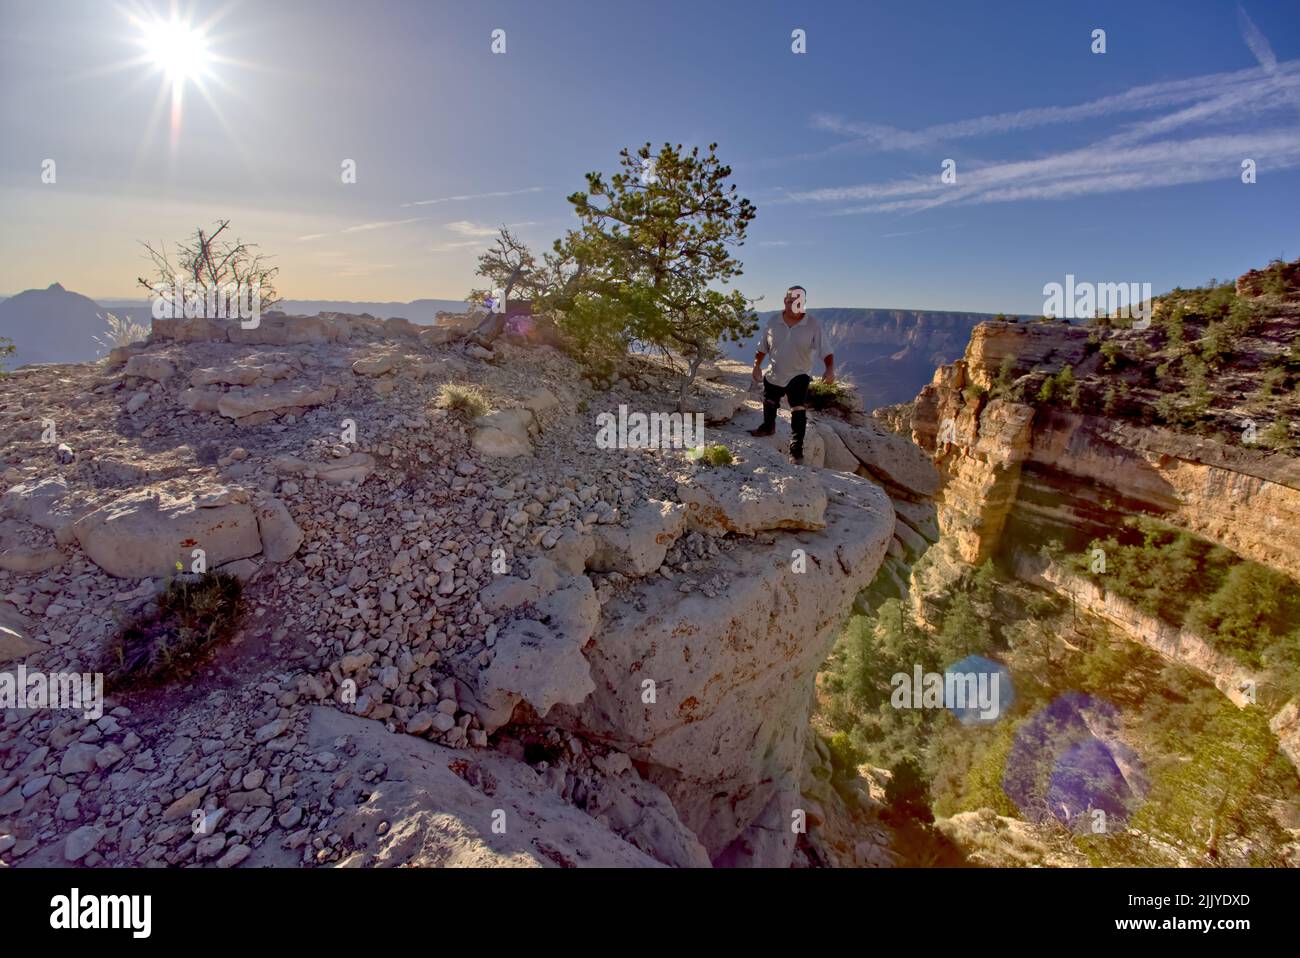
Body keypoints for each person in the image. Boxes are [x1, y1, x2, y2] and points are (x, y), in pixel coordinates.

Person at [748, 285, 834, 463]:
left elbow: (826, 350)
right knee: (769, 400)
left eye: (796, 301)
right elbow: (762, 347)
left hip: (799, 373)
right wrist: (757, 366)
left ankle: (796, 449)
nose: (791, 304)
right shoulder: (773, 321)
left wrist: (829, 369)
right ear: (784, 301)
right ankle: (768, 426)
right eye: (789, 300)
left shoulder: (812, 324)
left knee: (797, 407)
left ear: (802, 302)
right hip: (775, 371)